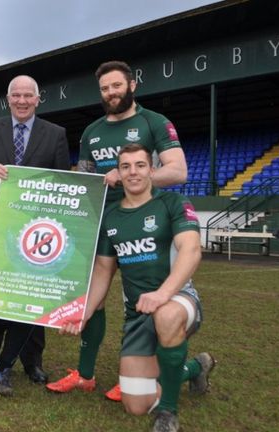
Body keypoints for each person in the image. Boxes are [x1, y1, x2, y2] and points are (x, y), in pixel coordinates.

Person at [47, 60, 188, 401]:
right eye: (105, 89)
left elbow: (178, 171)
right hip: (98, 221)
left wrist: (129, 176)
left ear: (132, 85)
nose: (111, 93)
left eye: (116, 86)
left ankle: (175, 368)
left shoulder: (154, 122)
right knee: (90, 297)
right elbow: (85, 177)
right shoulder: (92, 131)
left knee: (141, 300)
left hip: (142, 222)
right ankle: (85, 374)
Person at [61, 144, 215, 432]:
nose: (133, 172)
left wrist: (163, 294)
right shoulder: (112, 217)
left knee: (167, 314)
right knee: (135, 405)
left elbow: (191, 250)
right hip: (137, 315)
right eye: (126, 166)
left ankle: (169, 414)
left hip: (179, 300)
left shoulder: (172, 202)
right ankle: (196, 367)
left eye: (140, 165)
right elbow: (104, 272)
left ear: (152, 169)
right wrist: (83, 312)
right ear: (119, 171)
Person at [0, 74, 71, 386]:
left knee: (31, 293)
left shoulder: (56, 134)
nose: (22, 101)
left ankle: (32, 361)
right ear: (8, 99)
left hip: (36, 231)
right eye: (16, 95)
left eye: (28, 95)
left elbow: (64, 182)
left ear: (38, 99)